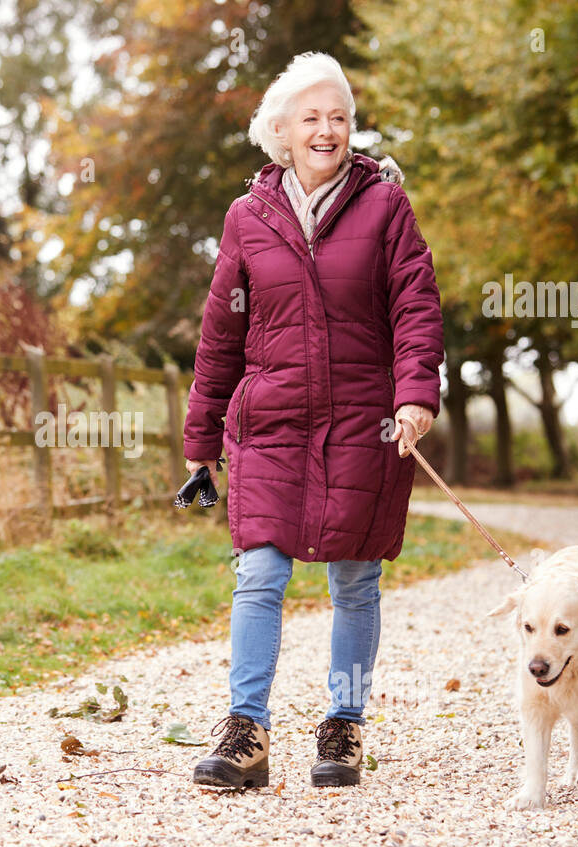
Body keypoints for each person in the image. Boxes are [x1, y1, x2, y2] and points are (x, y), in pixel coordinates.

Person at [182, 51, 445, 789]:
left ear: (351, 130)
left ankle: (344, 726)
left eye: (340, 118)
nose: (327, 129)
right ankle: (246, 731)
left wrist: (415, 392)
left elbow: (415, 304)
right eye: (312, 117)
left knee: (355, 578)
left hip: (365, 420)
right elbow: (219, 337)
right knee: (259, 572)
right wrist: (202, 441)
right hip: (268, 424)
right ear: (282, 131)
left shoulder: (386, 207)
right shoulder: (247, 218)